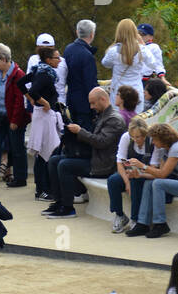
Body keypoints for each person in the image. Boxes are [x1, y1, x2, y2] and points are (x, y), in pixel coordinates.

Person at [42, 86, 125, 218]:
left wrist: (80, 131)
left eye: (93, 103)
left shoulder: (114, 119)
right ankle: (59, 202)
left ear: (103, 99)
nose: (91, 107)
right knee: (54, 160)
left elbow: (101, 142)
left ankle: (68, 208)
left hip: (103, 165)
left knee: (65, 165)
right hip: (94, 157)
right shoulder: (102, 115)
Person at [126, 123, 178, 239]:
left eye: (154, 140)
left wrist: (142, 166)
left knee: (158, 183)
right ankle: (142, 223)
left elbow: (162, 175)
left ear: (163, 139)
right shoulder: (164, 150)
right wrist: (140, 175)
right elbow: (159, 174)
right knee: (149, 183)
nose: (152, 143)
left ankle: (160, 224)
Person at [18, 46, 64, 200]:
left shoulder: (39, 70)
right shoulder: (45, 74)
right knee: (44, 152)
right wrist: (44, 102)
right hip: (43, 116)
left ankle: (44, 188)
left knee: (46, 152)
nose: (59, 60)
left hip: (42, 116)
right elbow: (32, 91)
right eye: (57, 57)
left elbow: (21, 83)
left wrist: (33, 99)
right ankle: (41, 189)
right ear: (49, 59)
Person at [0, 43, 30, 189]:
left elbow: (19, 100)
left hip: (14, 117)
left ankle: (20, 178)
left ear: (3, 58)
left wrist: (15, 120)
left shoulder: (18, 74)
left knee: (17, 148)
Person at [106, 115, 156, 233]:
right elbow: (120, 162)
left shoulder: (151, 141)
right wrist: (126, 182)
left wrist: (139, 170)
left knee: (136, 181)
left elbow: (154, 167)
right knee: (113, 180)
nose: (136, 139)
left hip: (146, 174)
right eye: (133, 137)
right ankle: (119, 215)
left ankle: (135, 219)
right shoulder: (126, 138)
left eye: (139, 137)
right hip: (130, 173)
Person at [101, 19, 150, 112]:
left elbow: (105, 63)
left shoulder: (113, 51)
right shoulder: (142, 50)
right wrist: (142, 43)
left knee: (118, 121)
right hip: (136, 91)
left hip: (119, 93)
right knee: (135, 122)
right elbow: (152, 63)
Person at [63, 19, 98, 130]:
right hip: (85, 104)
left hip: (71, 99)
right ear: (92, 35)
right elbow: (90, 83)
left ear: (77, 32)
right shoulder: (87, 56)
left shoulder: (68, 49)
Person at [25, 31, 68, 104]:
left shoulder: (62, 62)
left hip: (54, 102)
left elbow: (28, 85)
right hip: (43, 102)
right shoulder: (33, 59)